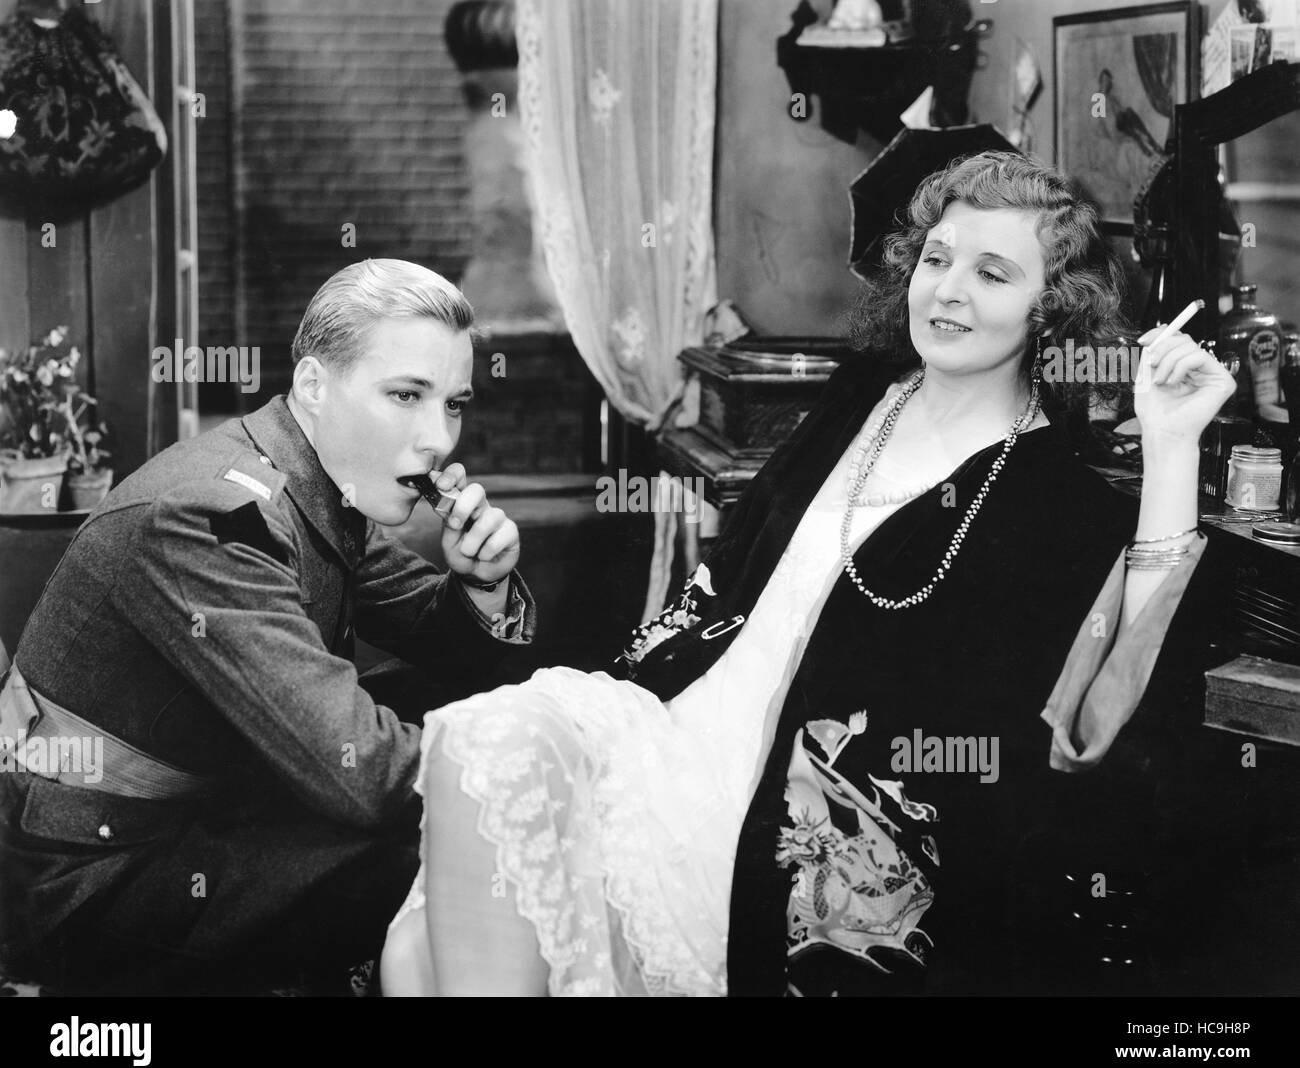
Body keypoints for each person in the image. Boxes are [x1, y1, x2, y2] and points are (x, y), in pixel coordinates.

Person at [379, 152, 1239, 997]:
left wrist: (1172, 440)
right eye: (936, 259)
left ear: (1047, 310)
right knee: (477, 746)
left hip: (804, 806)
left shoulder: (1052, 492)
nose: (947, 289)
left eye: (992, 273)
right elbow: (728, 583)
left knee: (427, 948)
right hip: (684, 720)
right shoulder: (861, 396)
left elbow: (1124, 691)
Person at [0, 258, 535, 994]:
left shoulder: (313, 479)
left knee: (444, 738)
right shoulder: (214, 517)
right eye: (406, 395)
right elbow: (364, 775)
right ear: (314, 386)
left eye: (453, 403)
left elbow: (427, 629)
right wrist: (537, 783)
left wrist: (483, 584)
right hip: (96, 884)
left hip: (202, 810)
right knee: (466, 850)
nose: (439, 438)